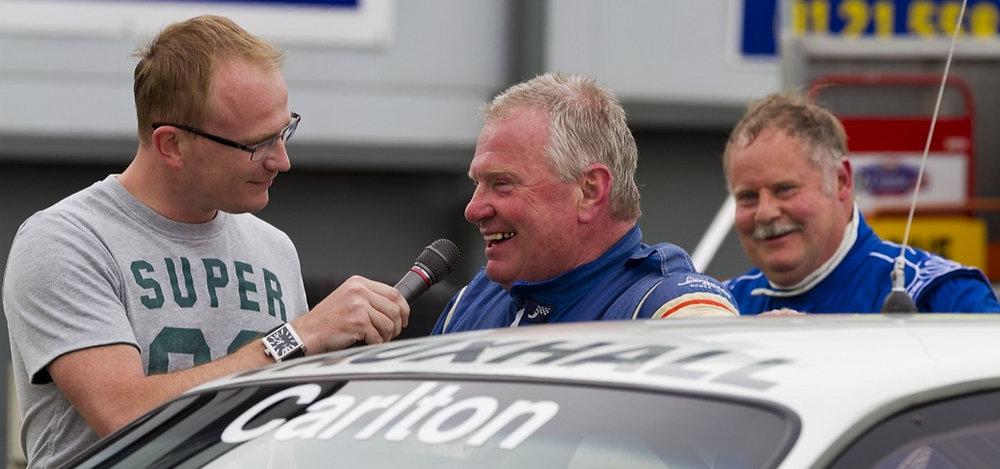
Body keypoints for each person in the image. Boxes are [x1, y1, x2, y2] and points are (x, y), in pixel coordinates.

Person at [2, 15, 409, 467]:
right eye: (257, 144)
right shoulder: (66, 241)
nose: (283, 160)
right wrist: (298, 337)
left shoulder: (274, 247)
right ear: (171, 145)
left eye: (285, 129)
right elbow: (125, 417)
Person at [433, 73, 739, 334]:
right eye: (477, 184)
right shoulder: (472, 303)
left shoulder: (667, 312)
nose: (473, 210)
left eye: (502, 185)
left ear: (590, 191)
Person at [722, 93, 1000, 314]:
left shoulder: (941, 296)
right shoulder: (721, 308)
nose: (765, 212)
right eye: (747, 197)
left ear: (842, 181)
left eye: (785, 189)